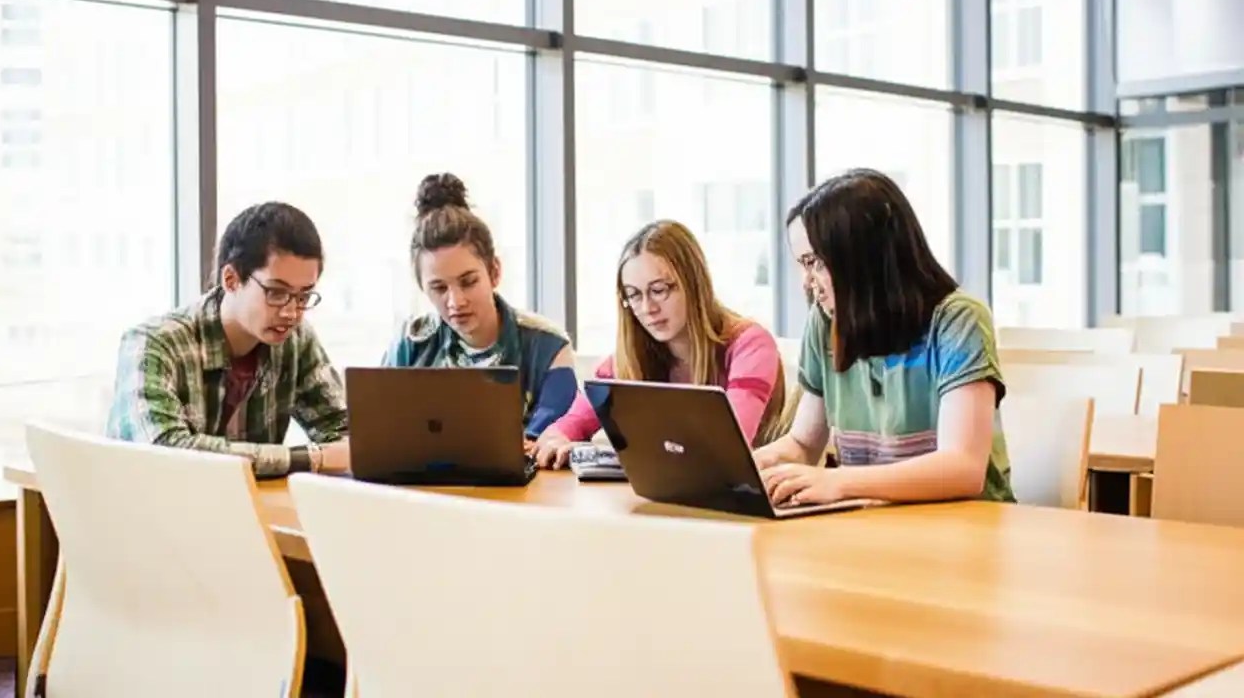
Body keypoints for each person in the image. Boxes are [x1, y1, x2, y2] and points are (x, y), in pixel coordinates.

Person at [753, 168, 1015, 505]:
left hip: (966, 528)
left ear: (859, 258)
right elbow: (803, 444)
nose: (807, 281)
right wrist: (752, 467)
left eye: (814, 262)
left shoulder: (957, 320)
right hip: (873, 524)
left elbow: (962, 467)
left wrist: (840, 481)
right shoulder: (824, 322)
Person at [106, 202, 350, 477]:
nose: (292, 312)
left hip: (240, 511)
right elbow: (168, 452)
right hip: (151, 510)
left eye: (303, 296)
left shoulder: (296, 339)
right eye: (276, 292)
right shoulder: (153, 344)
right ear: (231, 279)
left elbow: (346, 436)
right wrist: (311, 458)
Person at [532, 220, 785, 468]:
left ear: (694, 283)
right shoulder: (628, 358)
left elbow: (727, 448)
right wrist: (558, 440)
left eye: (660, 290)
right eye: (634, 295)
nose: (647, 309)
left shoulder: (750, 344)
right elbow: (570, 424)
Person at [384, 173, 577, 445]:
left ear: (494, 272)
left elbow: (550, 438)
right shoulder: (410, 344)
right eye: (439, 288)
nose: (455, 302)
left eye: (468, 282)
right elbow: (382, 433)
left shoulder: (548, 346)